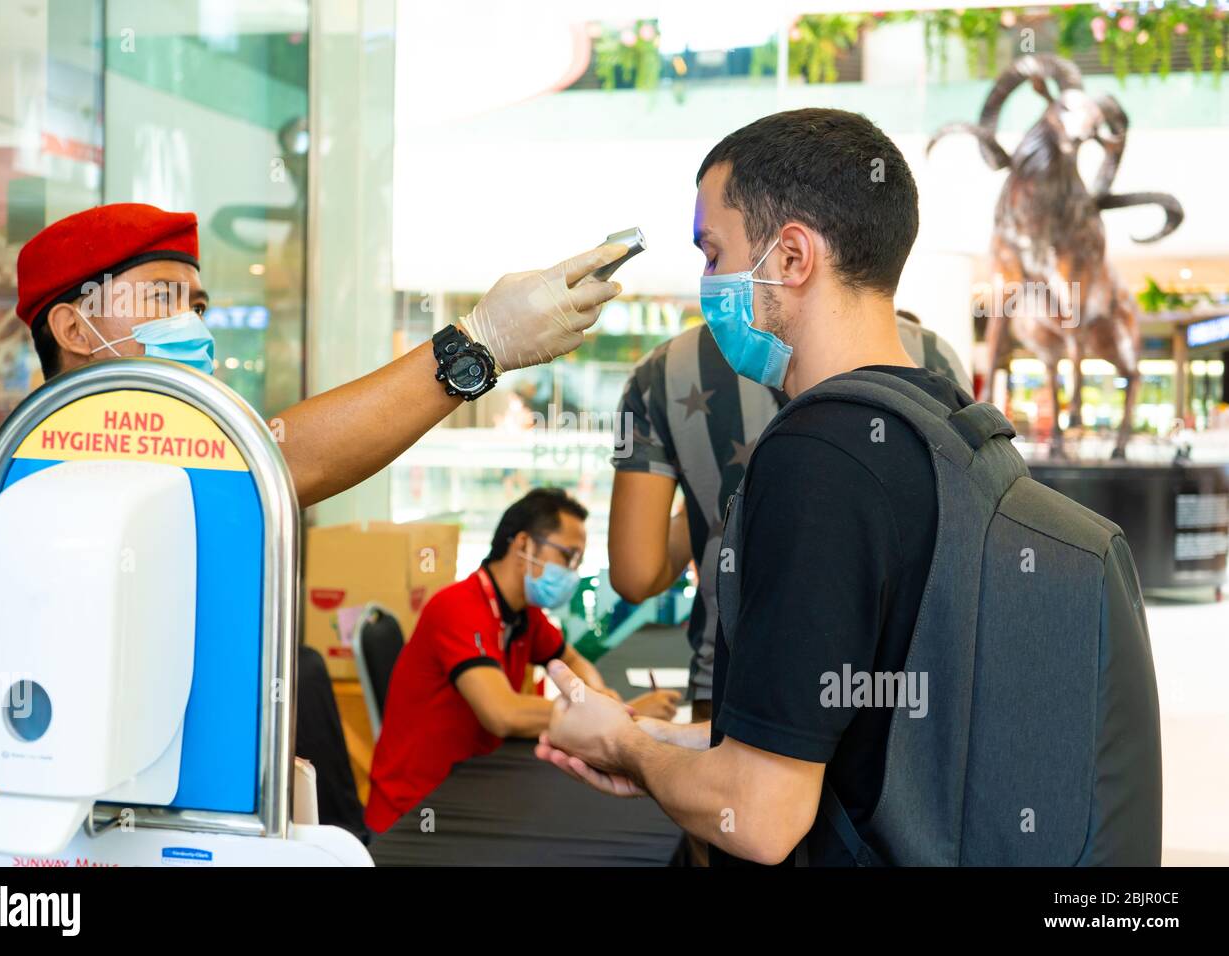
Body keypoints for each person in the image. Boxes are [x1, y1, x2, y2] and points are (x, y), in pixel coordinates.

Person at [0, 202, 626, 803]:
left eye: (199, 304)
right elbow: (290, 456)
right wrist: (478, 344)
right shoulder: (39, 469)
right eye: (162, 298)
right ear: (72, 327)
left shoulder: (183, 455)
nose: (189, 321)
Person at [535, 108, 978, 865]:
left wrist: (620, 741)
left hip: (747, 716)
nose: (708, 284)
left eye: (714, 255)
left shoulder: (801, 454)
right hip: (922, 769)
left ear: (794, 256)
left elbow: (759, 814)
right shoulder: (950, 392)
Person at [608, 311, 971, 725]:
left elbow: (635, 575)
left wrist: (707, 507)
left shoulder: (659, 372)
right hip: (899, 694)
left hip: (733, 689)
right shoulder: (934, 358)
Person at [364, 488, 679, 835]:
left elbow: (570, 659)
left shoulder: (524, 613)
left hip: (476, 784)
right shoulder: (457, 607)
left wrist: (601, 695)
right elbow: (503, 714)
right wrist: (614, 714)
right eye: (568, 557)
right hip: (417, 812)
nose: (572, 573)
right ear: (525, 545)